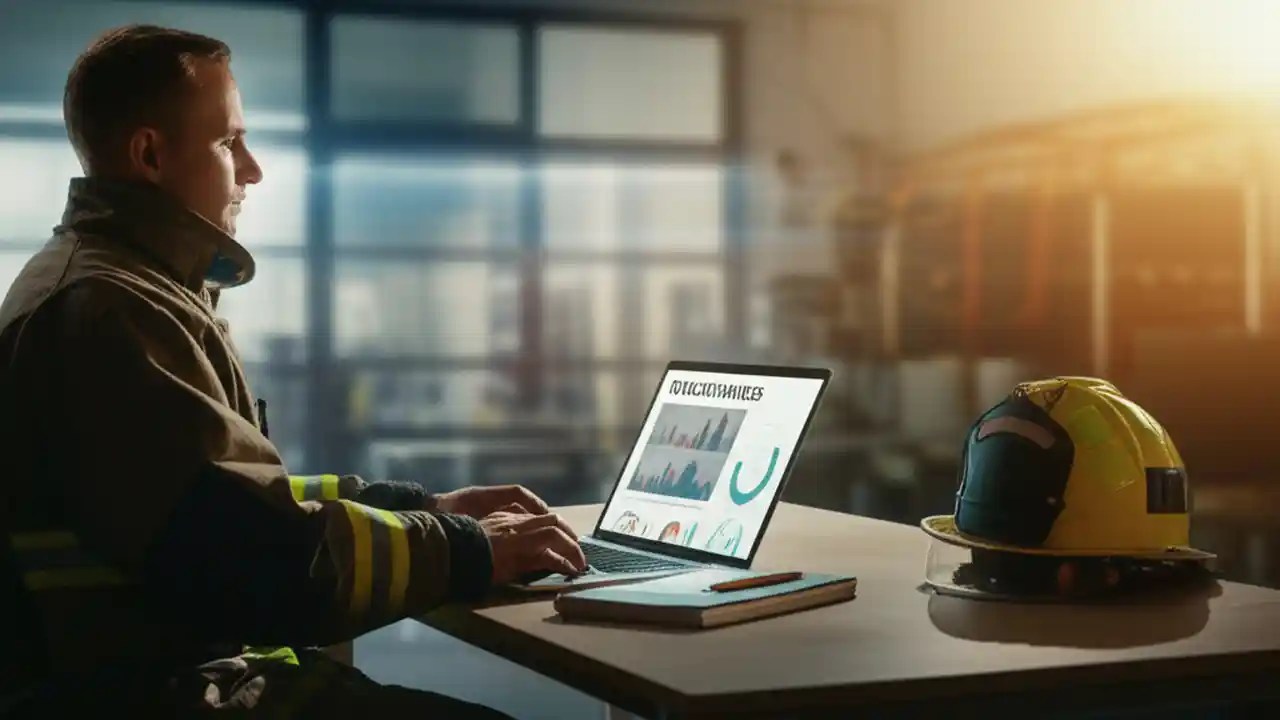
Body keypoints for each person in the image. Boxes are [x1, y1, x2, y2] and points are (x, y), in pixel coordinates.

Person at [0, 24, 587, 718]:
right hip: (155, 692)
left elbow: (232, 500)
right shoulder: (108, 311)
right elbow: (262, 563)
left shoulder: (127, 290)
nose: (252, 169)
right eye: (228, 142)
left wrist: (423, 508)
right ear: (150, 154)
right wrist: (466, 551)